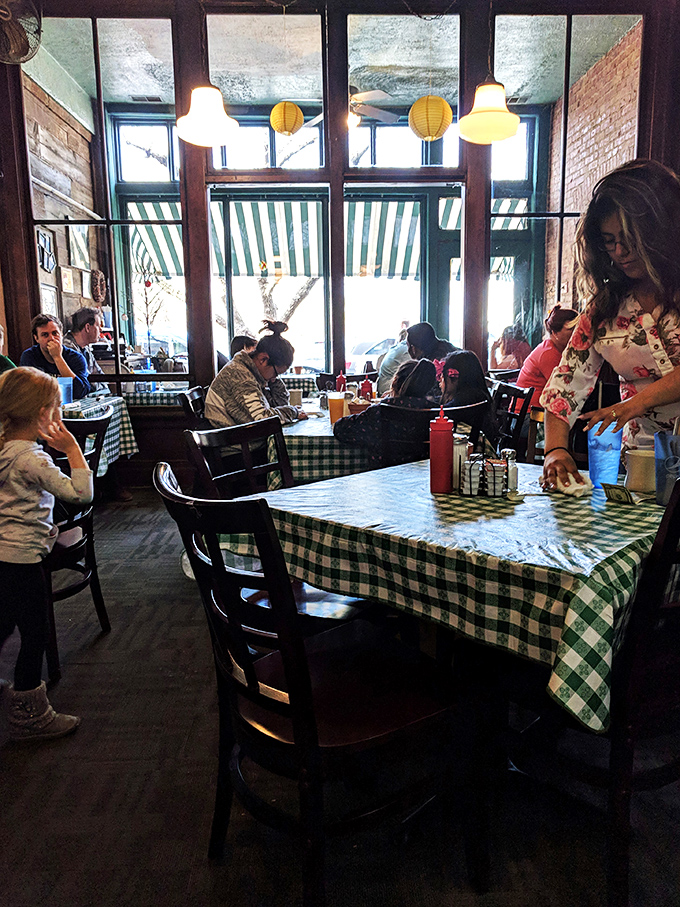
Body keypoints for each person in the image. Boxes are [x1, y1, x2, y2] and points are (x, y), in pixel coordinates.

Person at [541, 159, 680, 490]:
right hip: (641, 466)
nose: (620, 251)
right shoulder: (604, 309)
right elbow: (564, 386)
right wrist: (555, 451)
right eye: (609, 240)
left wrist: (633, 404)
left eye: (630, 238)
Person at [0, 367, 92, 741]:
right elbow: (80, 494)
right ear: (43, 413)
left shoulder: (4, 451)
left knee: (4, 622)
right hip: (24, 558)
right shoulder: (33, 461)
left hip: (2, 555)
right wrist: (71, 449)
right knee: (34, 631)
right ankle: (29, 715)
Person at [205, 320, 308, 428]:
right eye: (276, 373)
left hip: (241, 437)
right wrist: (293, 412)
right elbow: (262, 420)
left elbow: (280, 405)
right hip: (235, 442)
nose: (274, 378)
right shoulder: (240, 377)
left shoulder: (253, 373)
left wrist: (274, 382)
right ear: (263, 359)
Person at [333, 358, 437, 463]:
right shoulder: (437, 413)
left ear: (394, 381)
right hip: (427, 476)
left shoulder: (381, 411)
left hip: (385, 475)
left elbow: (340, 429)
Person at [516, 305, 579, 407]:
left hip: (540, 412)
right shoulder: (549, 353)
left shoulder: (555, 349)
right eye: (571, 329)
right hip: (529, 416)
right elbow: (566, 388)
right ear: (555, 333)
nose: (576, 333)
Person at [436, 349, 499, 450]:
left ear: (454, 377)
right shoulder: (478, 396)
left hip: (472, 453)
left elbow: (442, 414)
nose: (440, 380)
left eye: (442, 376)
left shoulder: (465, 401)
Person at [20, 314, 90, 399]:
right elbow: (31, 391)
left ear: (62, 335)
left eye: (55, 333)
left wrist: (58, 357)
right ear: (36, 338)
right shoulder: (29, 356)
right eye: (45, 335)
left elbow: (81, 392)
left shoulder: (76, 357)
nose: (51, 338)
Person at [376, 328, 411, 395]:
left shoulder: (396, 348)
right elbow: (414, 371)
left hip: (384, 389)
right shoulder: (406, 350)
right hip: (389, 392)